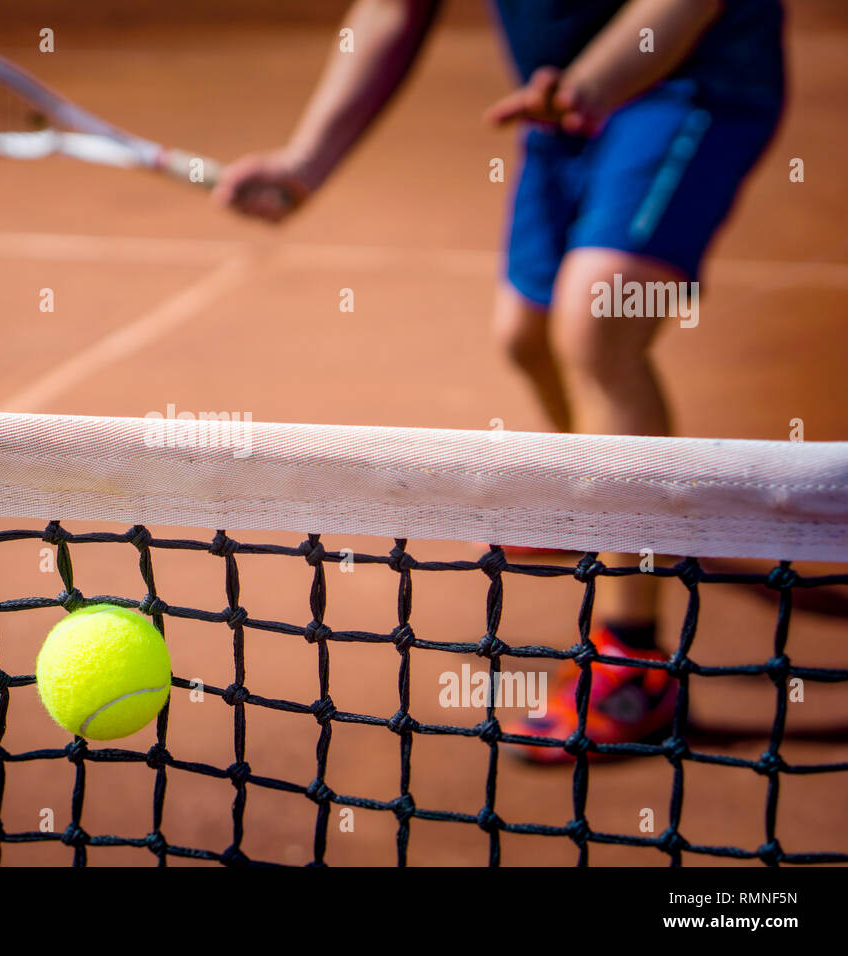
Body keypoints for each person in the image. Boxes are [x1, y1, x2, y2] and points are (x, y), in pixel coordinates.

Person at [213, 0, 785, 761]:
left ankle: (635, 665)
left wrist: (594, 82)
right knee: (527, 335)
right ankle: (610, 503)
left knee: (597, 321)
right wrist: (306, 159)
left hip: (689, 80)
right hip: (559, 108)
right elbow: (393, 9)